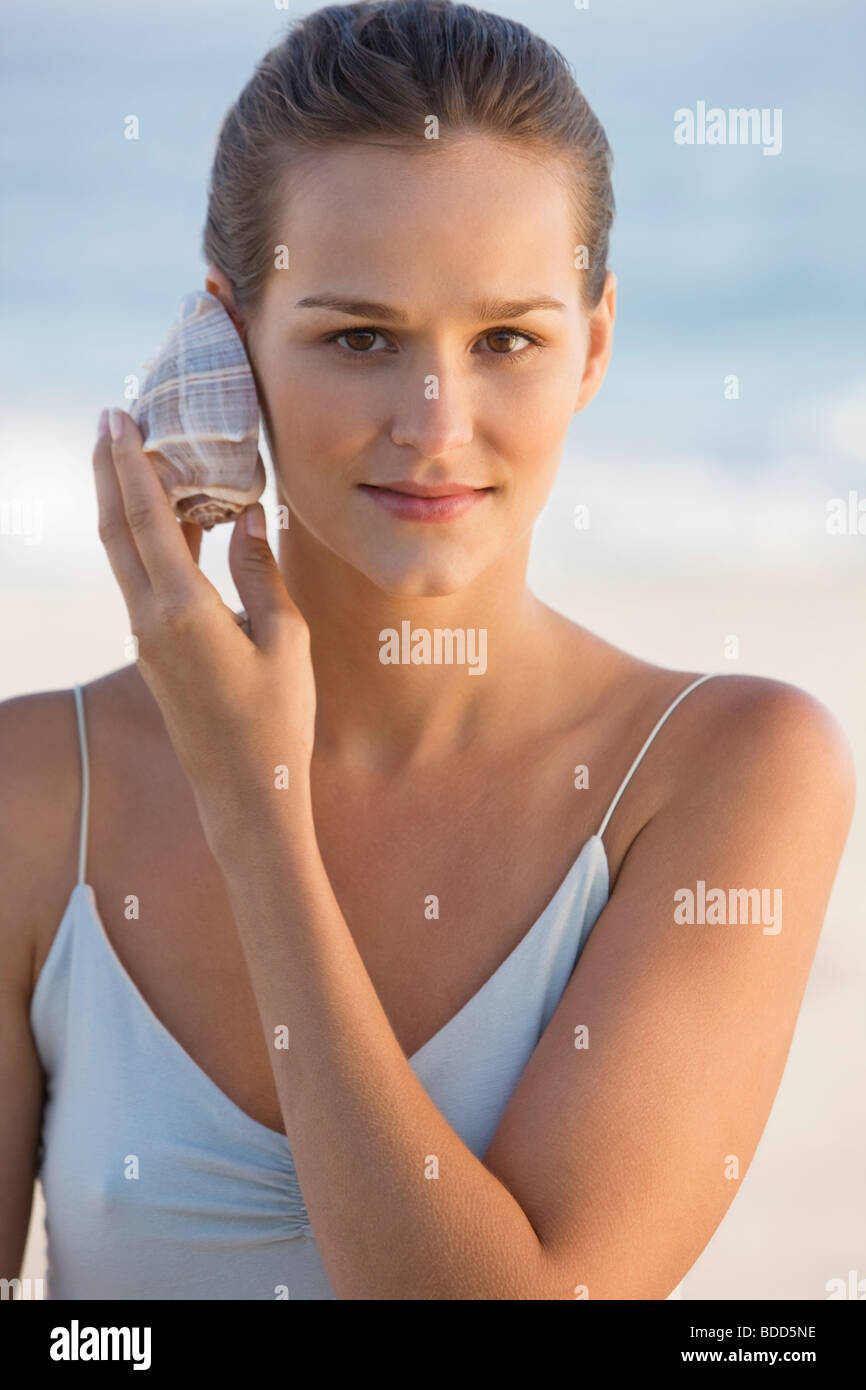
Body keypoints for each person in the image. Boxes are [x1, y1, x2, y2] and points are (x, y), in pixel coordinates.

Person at [0, 0, 855, 1301]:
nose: (434, 423)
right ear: (230, 342)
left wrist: (254, 808)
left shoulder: (727, 768)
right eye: (360, 339)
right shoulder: (33, 792)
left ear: (596, 347)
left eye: (506, 338)